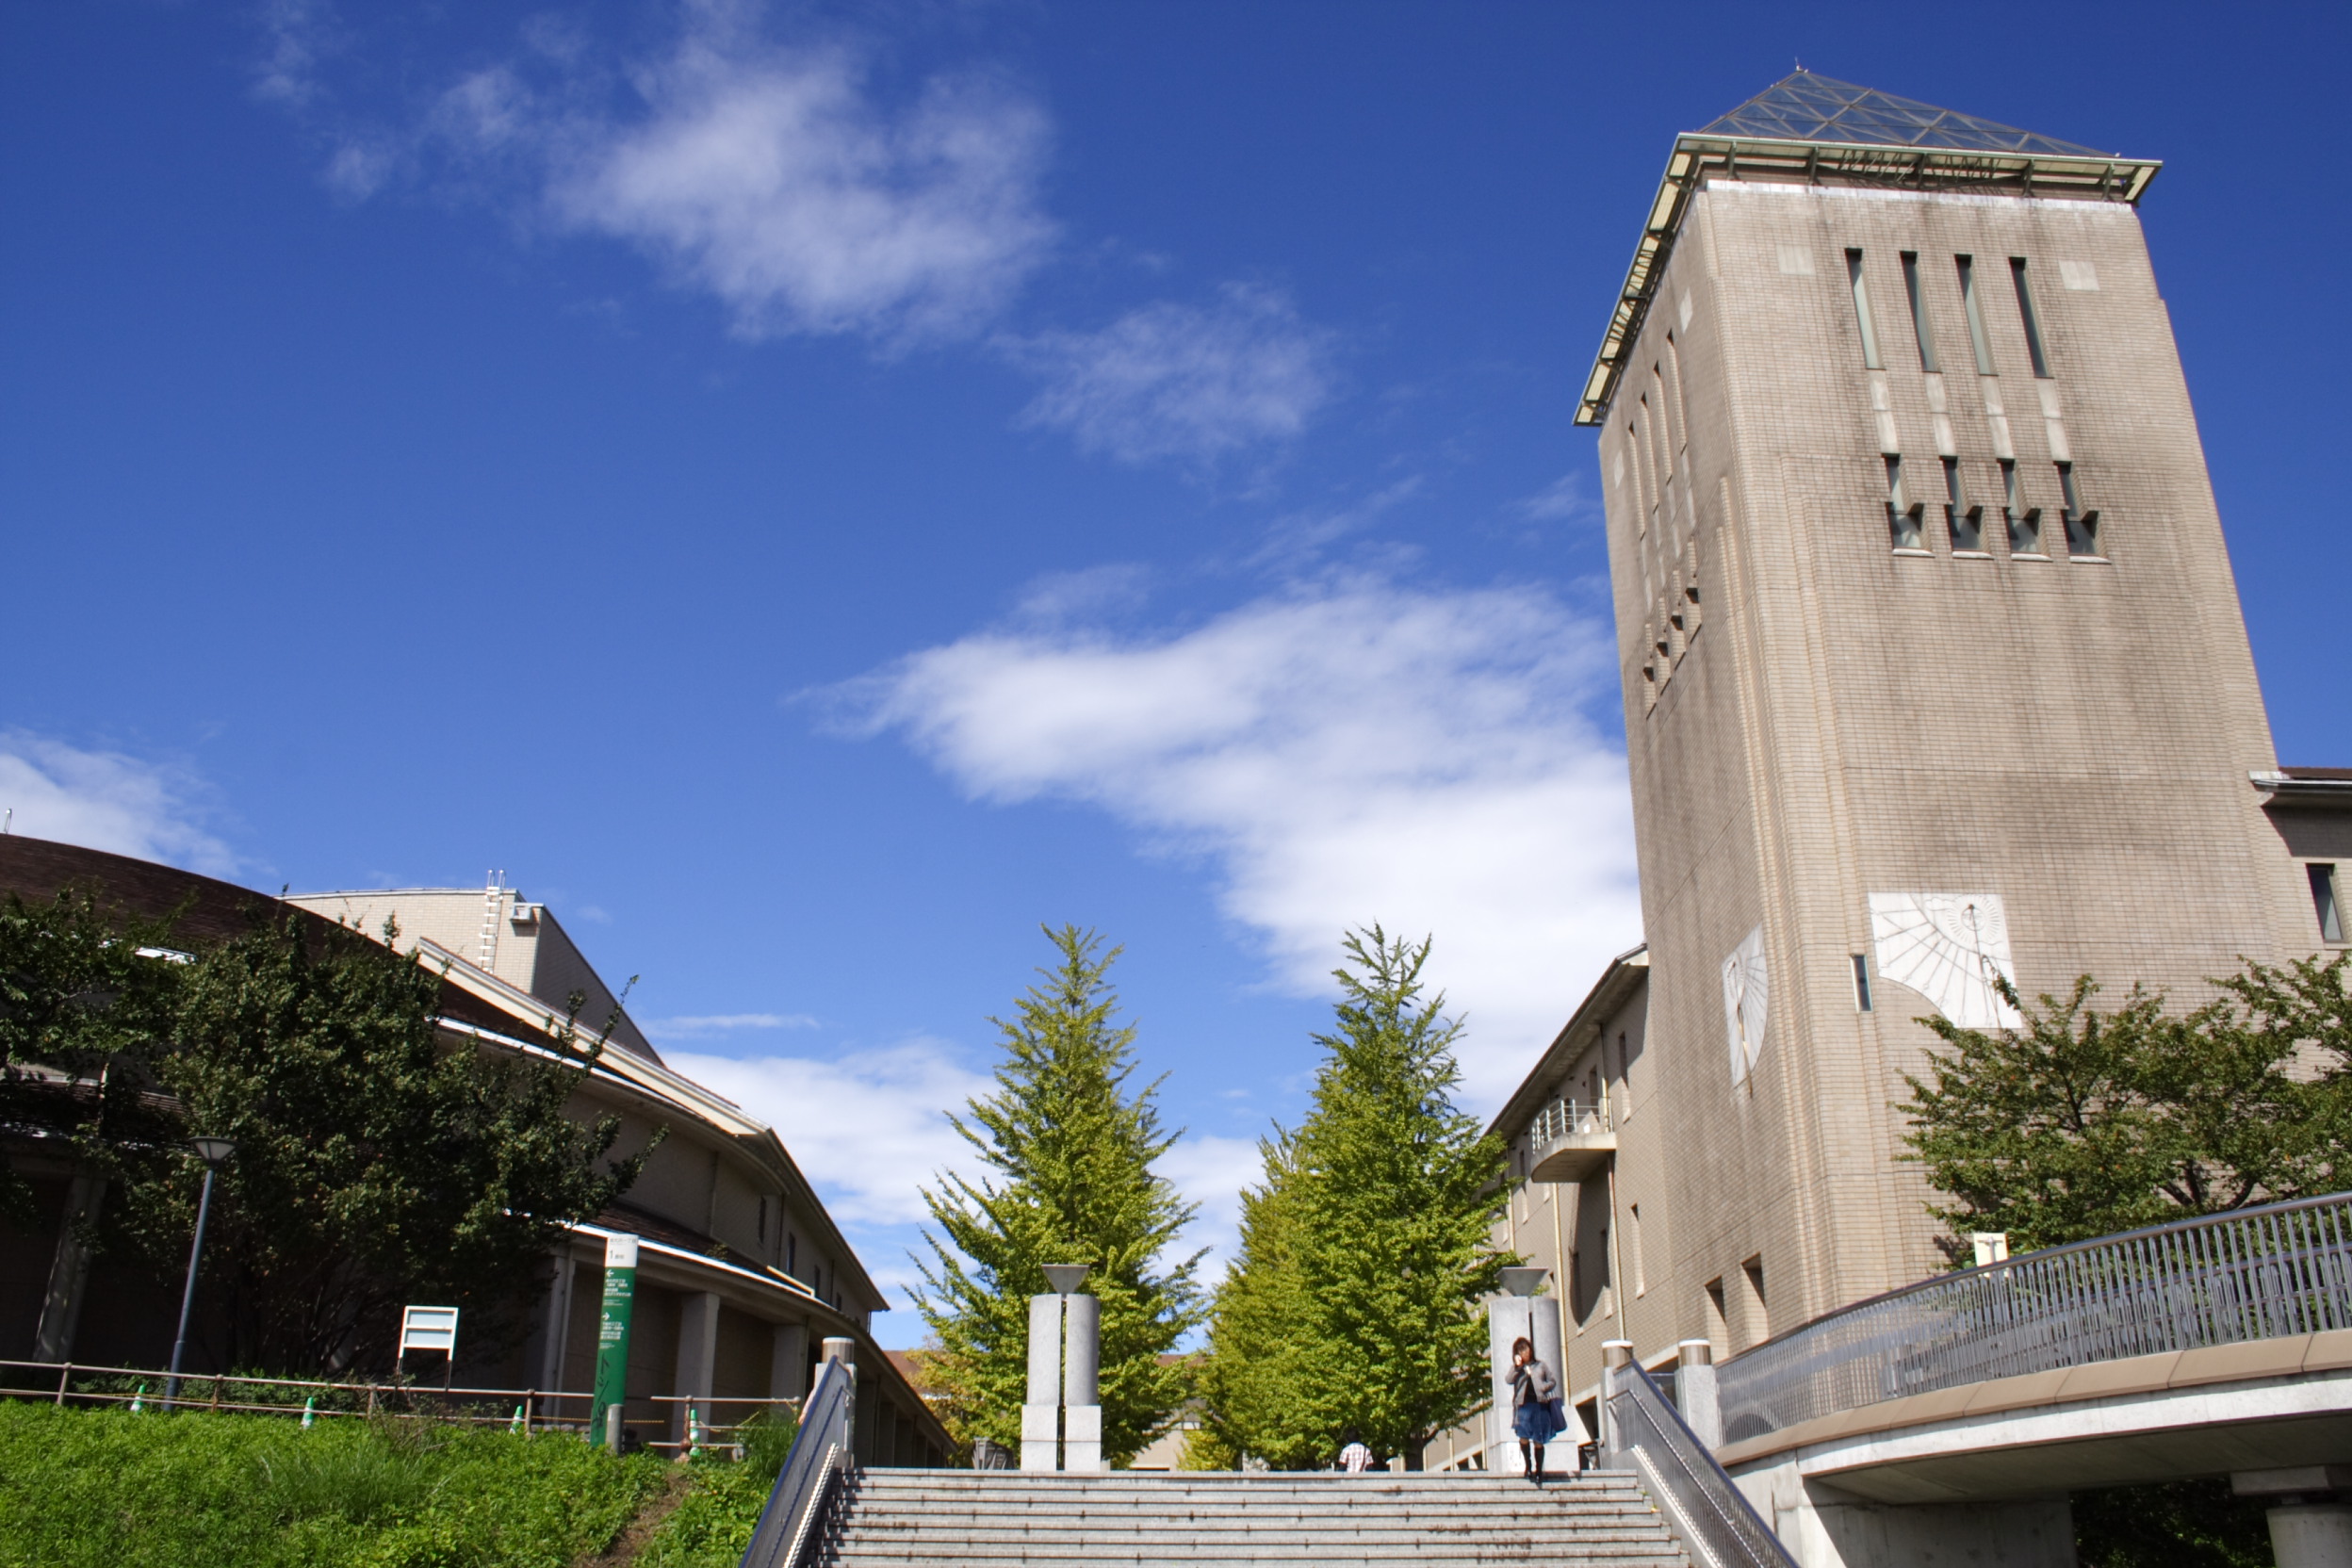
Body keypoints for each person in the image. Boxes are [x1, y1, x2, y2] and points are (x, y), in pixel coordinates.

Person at [1509, 1336, 1564, 1484]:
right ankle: (1528, 1465)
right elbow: (1508, 1380)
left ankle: (1539, 1470)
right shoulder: (1517, 1369)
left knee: (1539, 1439)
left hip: (1540, 1404)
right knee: (1523, 1435)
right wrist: (1518, 1367)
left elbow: (1552, 1381)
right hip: (1523, 1405)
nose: (1524, 1352)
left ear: (1531, 1349)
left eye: (1526, 1348)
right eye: (1520, 1350)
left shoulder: (1540, 1365)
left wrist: (1542, 1387)